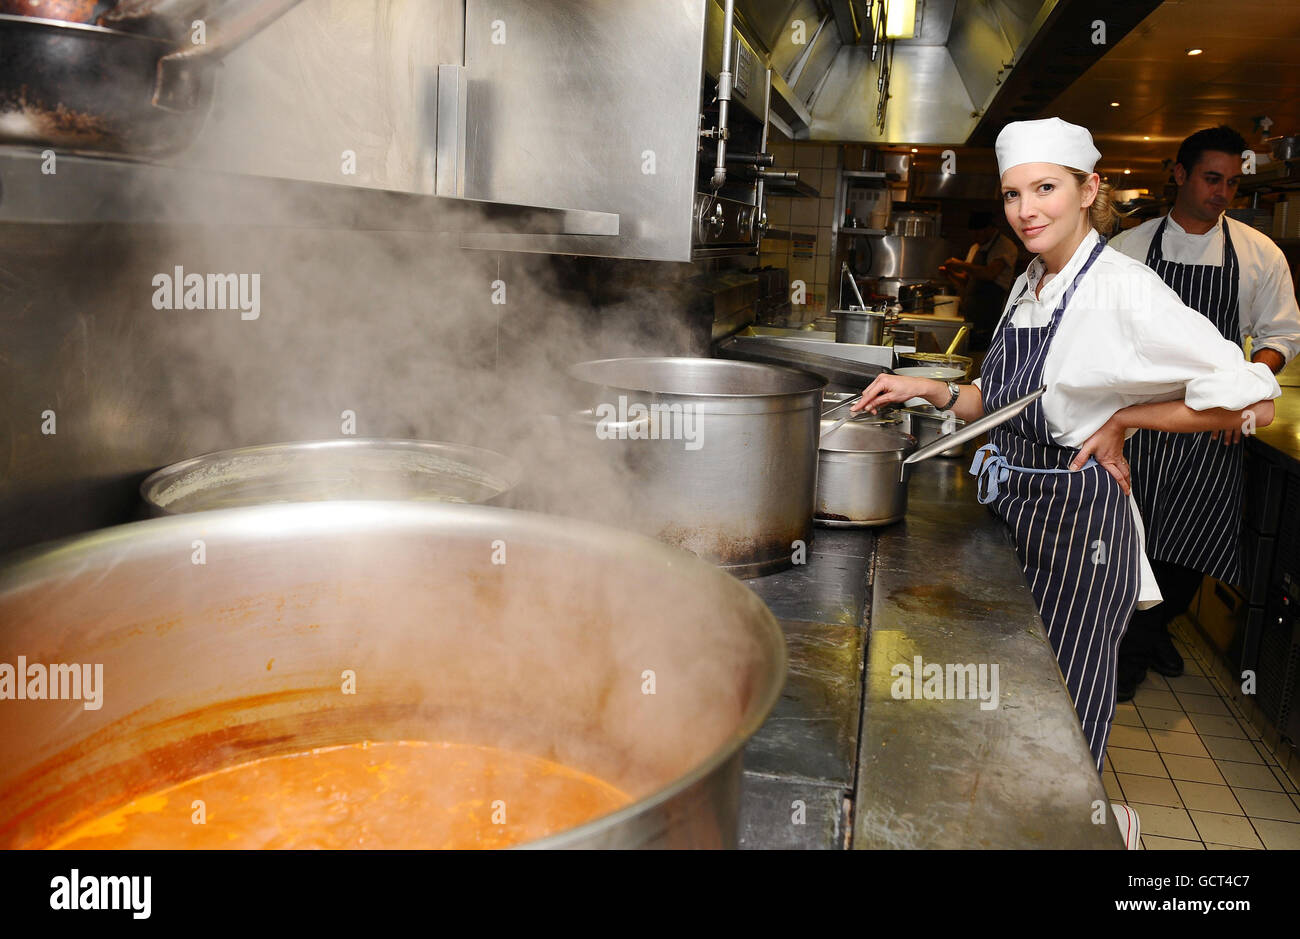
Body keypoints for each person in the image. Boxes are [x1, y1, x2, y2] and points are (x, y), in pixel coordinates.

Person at [850, 117, 1280, 773]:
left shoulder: (1121, 289)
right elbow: (1001, 401)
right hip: (1015, 514)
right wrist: (930, 391)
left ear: (1088, 189)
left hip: (1081, 531)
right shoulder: (1031, 280)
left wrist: (1131, 418)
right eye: (1013, 194)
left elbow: (1255, 397)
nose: (1026, 210)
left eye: (1045, 188)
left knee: (1061, 727)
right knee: (1009, 712)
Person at [1107, 126, 1300, 701]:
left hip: (1212, 426)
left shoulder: (1258, 253)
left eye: (1232, 184)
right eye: (1212, 179)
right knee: (1129, 541)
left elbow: (1281, 334)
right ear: (1179, 174)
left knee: (1191, 548)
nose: (1222, 193)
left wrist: (1245, 384)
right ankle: (1130, 655)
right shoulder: (1129, 250)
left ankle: (1151, 632)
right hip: (1139, 421)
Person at [940, 211, 1019, 351]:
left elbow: (990, 274)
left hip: (992, 312)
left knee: (982, 355)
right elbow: (966, 280)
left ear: (990, 229)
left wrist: (960, 264)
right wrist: (950, 273)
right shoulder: (975, 247)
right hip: (971, 312)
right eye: (973, 234)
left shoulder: (1005, 246)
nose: (975, 237)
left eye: (979, 233)